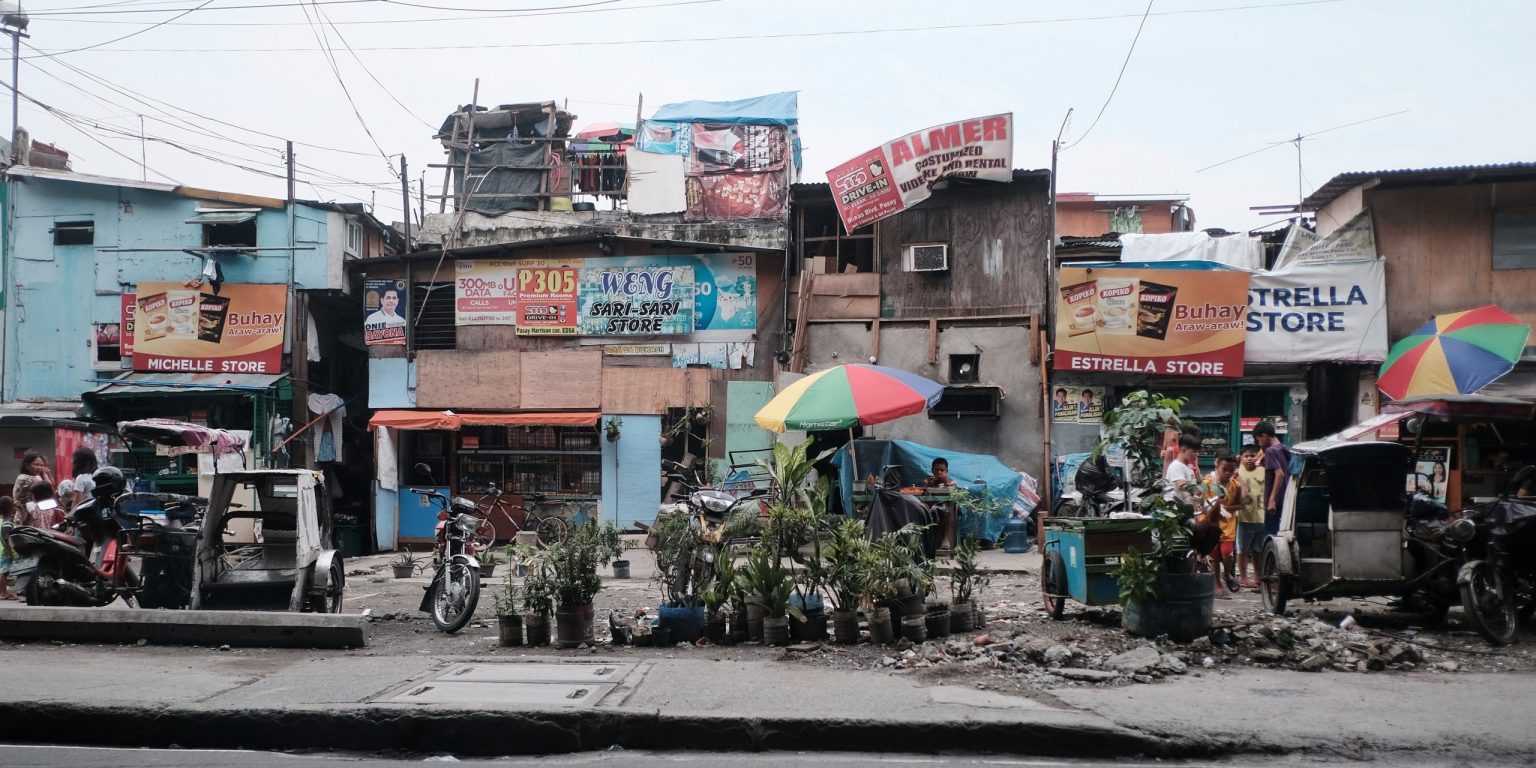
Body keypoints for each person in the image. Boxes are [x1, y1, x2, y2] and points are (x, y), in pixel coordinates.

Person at [1204, 452, 1243, 597]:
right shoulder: (1207, 483)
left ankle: (1227, 575)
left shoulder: (1236, 486)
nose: (1227, 473)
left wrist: (1226, 508)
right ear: (1217, 467)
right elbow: (1199, 500)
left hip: (1227, 524)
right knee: (1214, 555)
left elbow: (1240, 505)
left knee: (1227, 554)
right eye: (1224, 469)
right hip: (1211, 524)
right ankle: (1217, 583)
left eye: (1230, 471)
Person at [1235, 444, 1268, 588]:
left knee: (1258, 550)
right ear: (1241, 458)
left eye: (1252, 456)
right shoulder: (1237, 472)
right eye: (1246, 456)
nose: (1249, 459)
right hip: (1243, 517)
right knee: (1242, 549)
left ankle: (1258, 577)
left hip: (1261, 516)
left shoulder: (1263, 470)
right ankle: (1243, 577)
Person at [1253, 420, 1291, 537]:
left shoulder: (1270, 451)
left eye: (1258, 440)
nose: (1259, 444)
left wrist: (1271, 500)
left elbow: (1279, 474)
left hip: (1276, 503)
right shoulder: (1284, 448)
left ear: (1264, 436)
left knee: (1270, 537)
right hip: (1287, 499)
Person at [924, 458, 958, 550]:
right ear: (932, 470)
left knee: (950, 508)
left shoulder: (952, 482)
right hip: (932, 505)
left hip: (947, 505)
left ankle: (946, 539)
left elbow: (953, 492)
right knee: (923, 507)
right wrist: (929, 485)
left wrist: (945, 482)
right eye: (936, 470)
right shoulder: (928, 481)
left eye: (942, 470)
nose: (939, 472)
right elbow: (925, 496)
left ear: (946, 471)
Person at [56, 446, 98, 515]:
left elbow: (77, 501)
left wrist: (70, 515)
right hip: (96, 512)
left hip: (86, 513)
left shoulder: (81, 478)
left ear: (79, 462)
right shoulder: (96, 476)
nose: (72, 461)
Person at [1164, 434, 1202, 508]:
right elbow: (1182, 486)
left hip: (1185, 509)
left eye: (1197, 452)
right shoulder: (1176, 466)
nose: (1196, 455)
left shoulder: (1189, 467)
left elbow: (1193, 493)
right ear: (1184, 450)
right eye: (1194, 451)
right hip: (1174, 510)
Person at [0, 496, 15, 600]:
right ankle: (3, 592)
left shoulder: (6, 521)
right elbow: (6, 539)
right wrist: (10, 553)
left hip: (5, 551)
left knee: (4, 572)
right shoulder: (7, 523)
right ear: (11, 508)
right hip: (7, 552)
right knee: (4, 573)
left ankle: (3, 591)